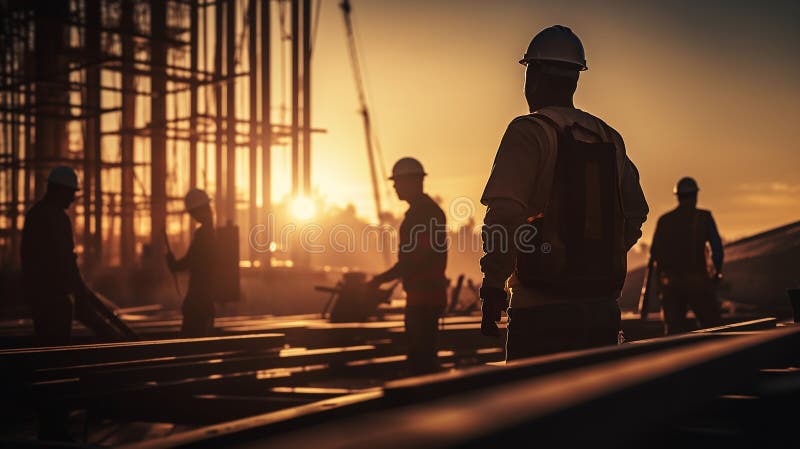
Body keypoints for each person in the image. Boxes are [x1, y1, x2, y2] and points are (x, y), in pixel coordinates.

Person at [480, 25, 649, 360]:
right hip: (601, 308)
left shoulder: (529, 131)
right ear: (575, 79)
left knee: (535, 393)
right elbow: (635, 214)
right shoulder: (608, 137)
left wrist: (493, 284)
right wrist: (595, 257)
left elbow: (504, 215)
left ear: (533, 76)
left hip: (540, 310)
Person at [369, 158, 448, 374]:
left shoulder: (424, 214)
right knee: (422, 355)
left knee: (420, 358)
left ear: (412, 182)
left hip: (425, 298)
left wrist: (379, 280)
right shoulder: (423, 212)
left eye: (397, 182)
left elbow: (414, 258)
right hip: (423, 296)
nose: (394, 187)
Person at [21, 166, 91, 347]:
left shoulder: (34, 214)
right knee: (59, 348)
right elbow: (66, 260)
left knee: (45, 347)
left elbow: (27, 257)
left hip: (39, 297)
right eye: (71, 192)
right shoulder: (58, 218)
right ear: (59, 190)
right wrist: (80, 290)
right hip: (56, 298)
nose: (73, 198)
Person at [649, 177, 724, 334]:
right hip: (699, 282)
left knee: (674, 333)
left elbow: (655, 254)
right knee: (713, 329)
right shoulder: (704, 217)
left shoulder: (665, 221)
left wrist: (659, 283)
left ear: (678, 197)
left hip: (672, 284)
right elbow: (717, 249)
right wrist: (716, 274)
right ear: (695, 196)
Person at [166, 188, 218, 337]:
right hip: (206, 300)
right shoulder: (212, 233)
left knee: (191, 341)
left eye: (193, 213)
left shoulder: (203, 235)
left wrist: (174, 264)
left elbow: (189, 262)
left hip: (198, 300)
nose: (193, 217)